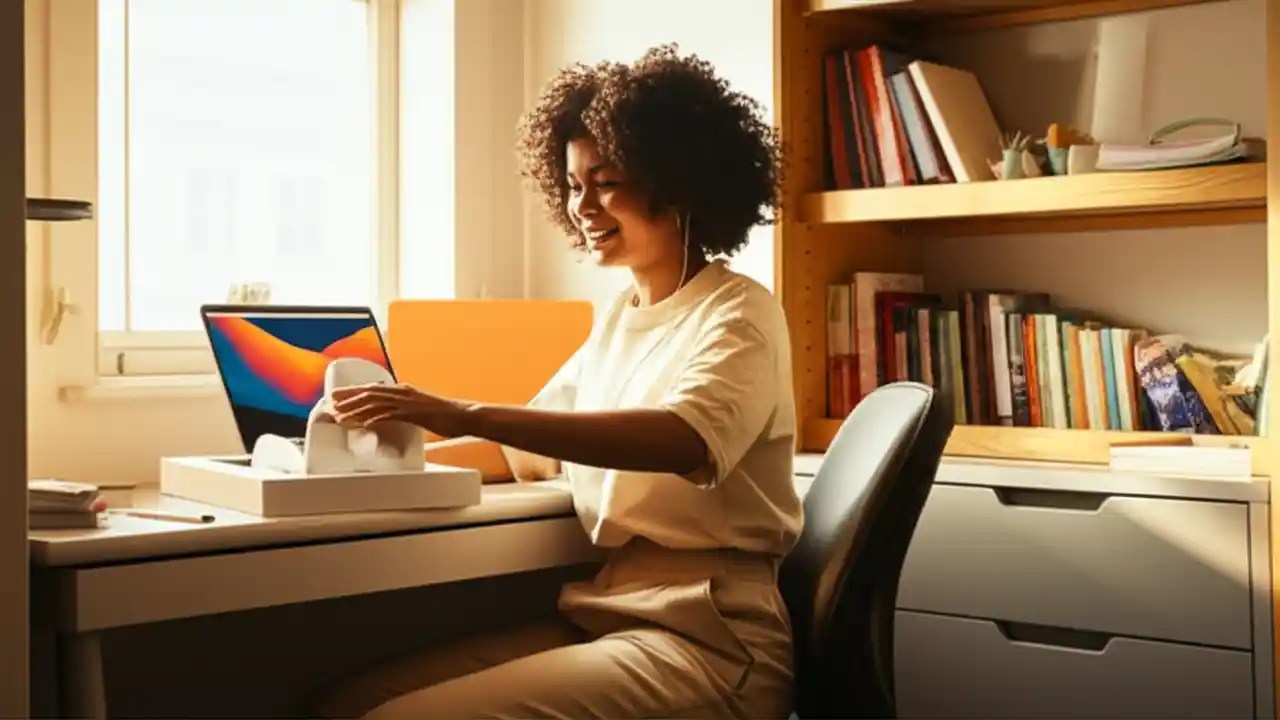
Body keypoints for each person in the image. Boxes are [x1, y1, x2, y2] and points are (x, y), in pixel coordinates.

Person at [313, 43, 802, 720]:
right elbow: (529, 448)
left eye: (606, 182)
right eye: (573, 185)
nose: (583, 206)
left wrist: (466, 411)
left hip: (713, 637)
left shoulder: (741, 312)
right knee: (347, 704)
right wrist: (354, 468)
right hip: (614, 608)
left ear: (679, 182)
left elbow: (683, 439)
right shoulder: (620, 320)